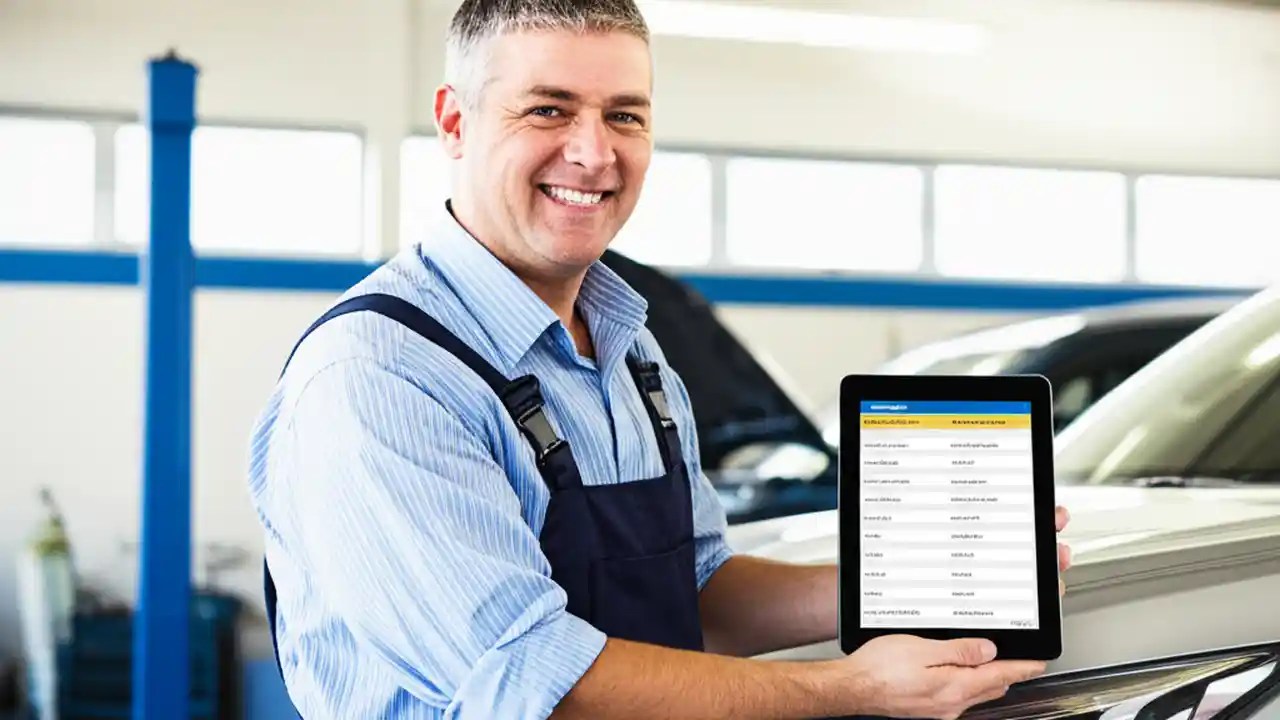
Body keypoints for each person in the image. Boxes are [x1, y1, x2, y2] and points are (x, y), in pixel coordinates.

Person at [247, 1, 1074, 718]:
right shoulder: (378, 379)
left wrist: (927, 583)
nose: (593, 152)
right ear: (456, 123)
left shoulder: (630, 346)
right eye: (548, 109)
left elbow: (701, 586)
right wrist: (853, 687)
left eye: (625, 115)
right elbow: (539, 685)